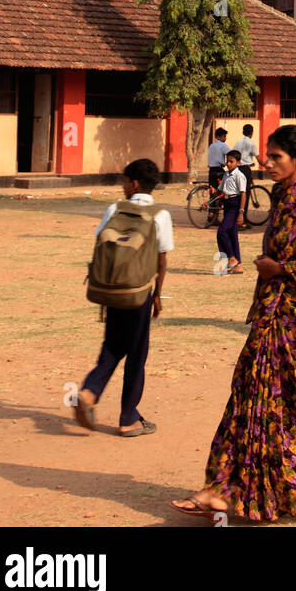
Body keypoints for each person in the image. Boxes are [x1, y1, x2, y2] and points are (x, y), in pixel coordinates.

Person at [171, 124, 296, 522]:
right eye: (267, 156)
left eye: (276, 157)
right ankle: (225, 488)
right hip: (273, 317)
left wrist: (280, 268)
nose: (267, 162)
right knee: (250, 397)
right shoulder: (282, 196)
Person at [74, 159, 173, 436]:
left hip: (111, 288)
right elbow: (162, 260)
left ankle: (89, 393)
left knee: (113, 344)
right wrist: (157, 295)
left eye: (124, 181)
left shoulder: (114, 208)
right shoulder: (160, 215)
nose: (122, 185)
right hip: (139, 293)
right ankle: (128, 417)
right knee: (136, 354)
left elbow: (100, 241)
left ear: (135, 184)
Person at [217, 149, 246, 275]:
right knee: (232, 235)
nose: (228, 164)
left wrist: (241, 212)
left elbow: (243, 194)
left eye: (231, 161)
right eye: (227, 161)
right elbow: (221, 190)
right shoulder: (226, 174)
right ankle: (238, 265)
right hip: (227, 204)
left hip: (235, 205)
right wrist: (215, 192)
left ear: (238, 163)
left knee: (221, 231)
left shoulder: (239, 176)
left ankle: (231, 258)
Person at [232, 123, 258, 213]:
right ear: (251, 133)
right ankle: (243, 218)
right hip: (246, 170)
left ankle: (235, 215)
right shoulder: (251, 144)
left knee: (236, 192)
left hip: (237, 169)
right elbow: (258, 158)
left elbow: (233, 155)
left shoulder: (237, 143)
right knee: (245, 193)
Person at [207, 127, 231, 197]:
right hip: (219, 170)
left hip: (211, 170)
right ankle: (224, 201)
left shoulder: (211, 145)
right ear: (218, 136)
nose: (225, 138)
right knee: (227, 184)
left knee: (213, 189)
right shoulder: (222, 145)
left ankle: (212, 205)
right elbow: (231, 154)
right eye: (224, 136)